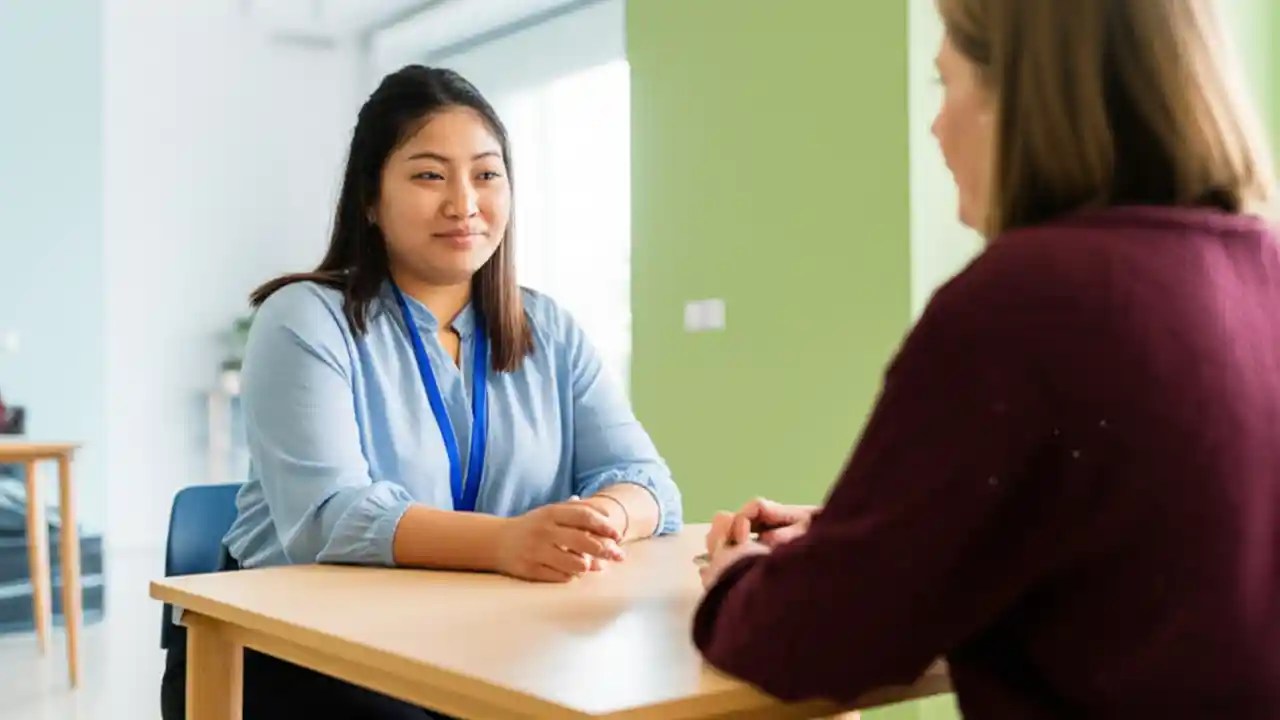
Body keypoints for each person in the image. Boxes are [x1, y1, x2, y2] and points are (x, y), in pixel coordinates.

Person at [693, 1, 1279, 718]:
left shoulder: (1024, 297)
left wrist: (736, 576)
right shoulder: (1262, 272)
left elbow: (807, 642)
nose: (936, 128)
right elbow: (1144, 534)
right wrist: (869, 530)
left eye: (947, 85)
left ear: (1027, 95)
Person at [160, 65, 682, 720]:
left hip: (483, 638)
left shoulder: (548, 327)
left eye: (486, 175)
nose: (464, 203)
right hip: (293, 649)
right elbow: (329, 515)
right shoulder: (303, 318)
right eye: (429, 175)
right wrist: (507, 542)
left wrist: (596, 523)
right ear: (370, 200)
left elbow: (646, 481)